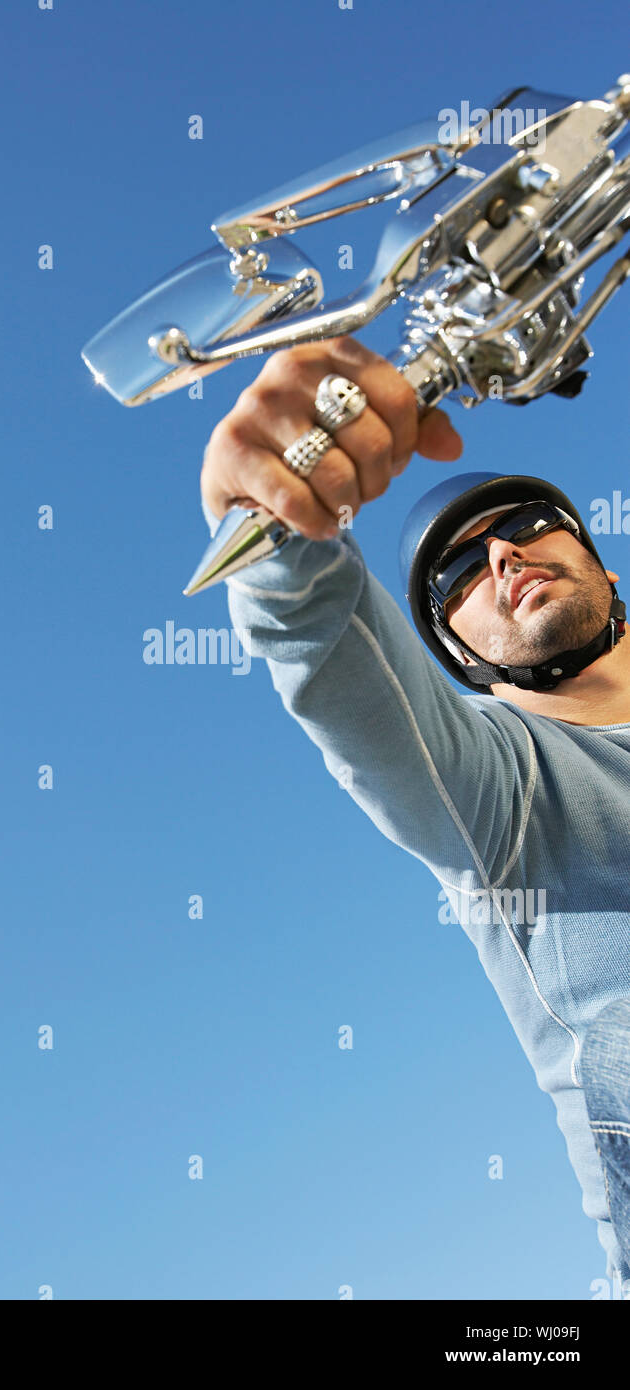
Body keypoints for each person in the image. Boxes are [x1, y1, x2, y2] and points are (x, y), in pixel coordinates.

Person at [198, 335, 630, 1288]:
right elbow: (317, 636)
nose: (502, 554)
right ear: (463, 659)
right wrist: (279, 513)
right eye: (456, 577)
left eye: (522, 522)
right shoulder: (502, 788)